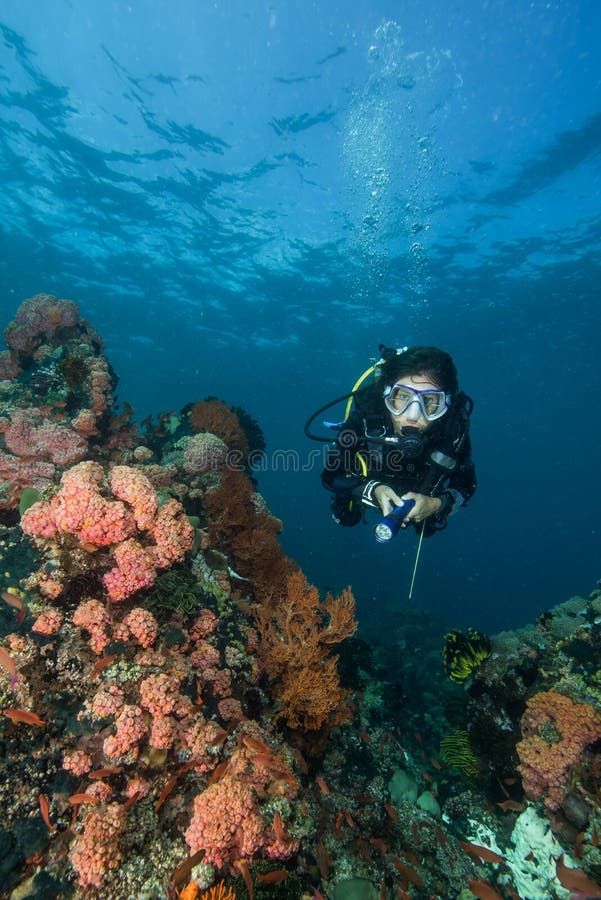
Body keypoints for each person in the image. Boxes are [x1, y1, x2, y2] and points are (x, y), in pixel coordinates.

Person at [317, 345, 476, 537]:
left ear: (446, 405)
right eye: (402, 396)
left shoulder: (453, 430)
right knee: (346, 517)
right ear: (386, 394)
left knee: (427, 529)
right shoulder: (368, 415)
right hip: (367, 483)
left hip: (423, 495)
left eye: (430, 401)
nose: (413, 415)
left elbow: (467, 485)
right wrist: (370, 490)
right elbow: (330, 475)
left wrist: (437, 504)